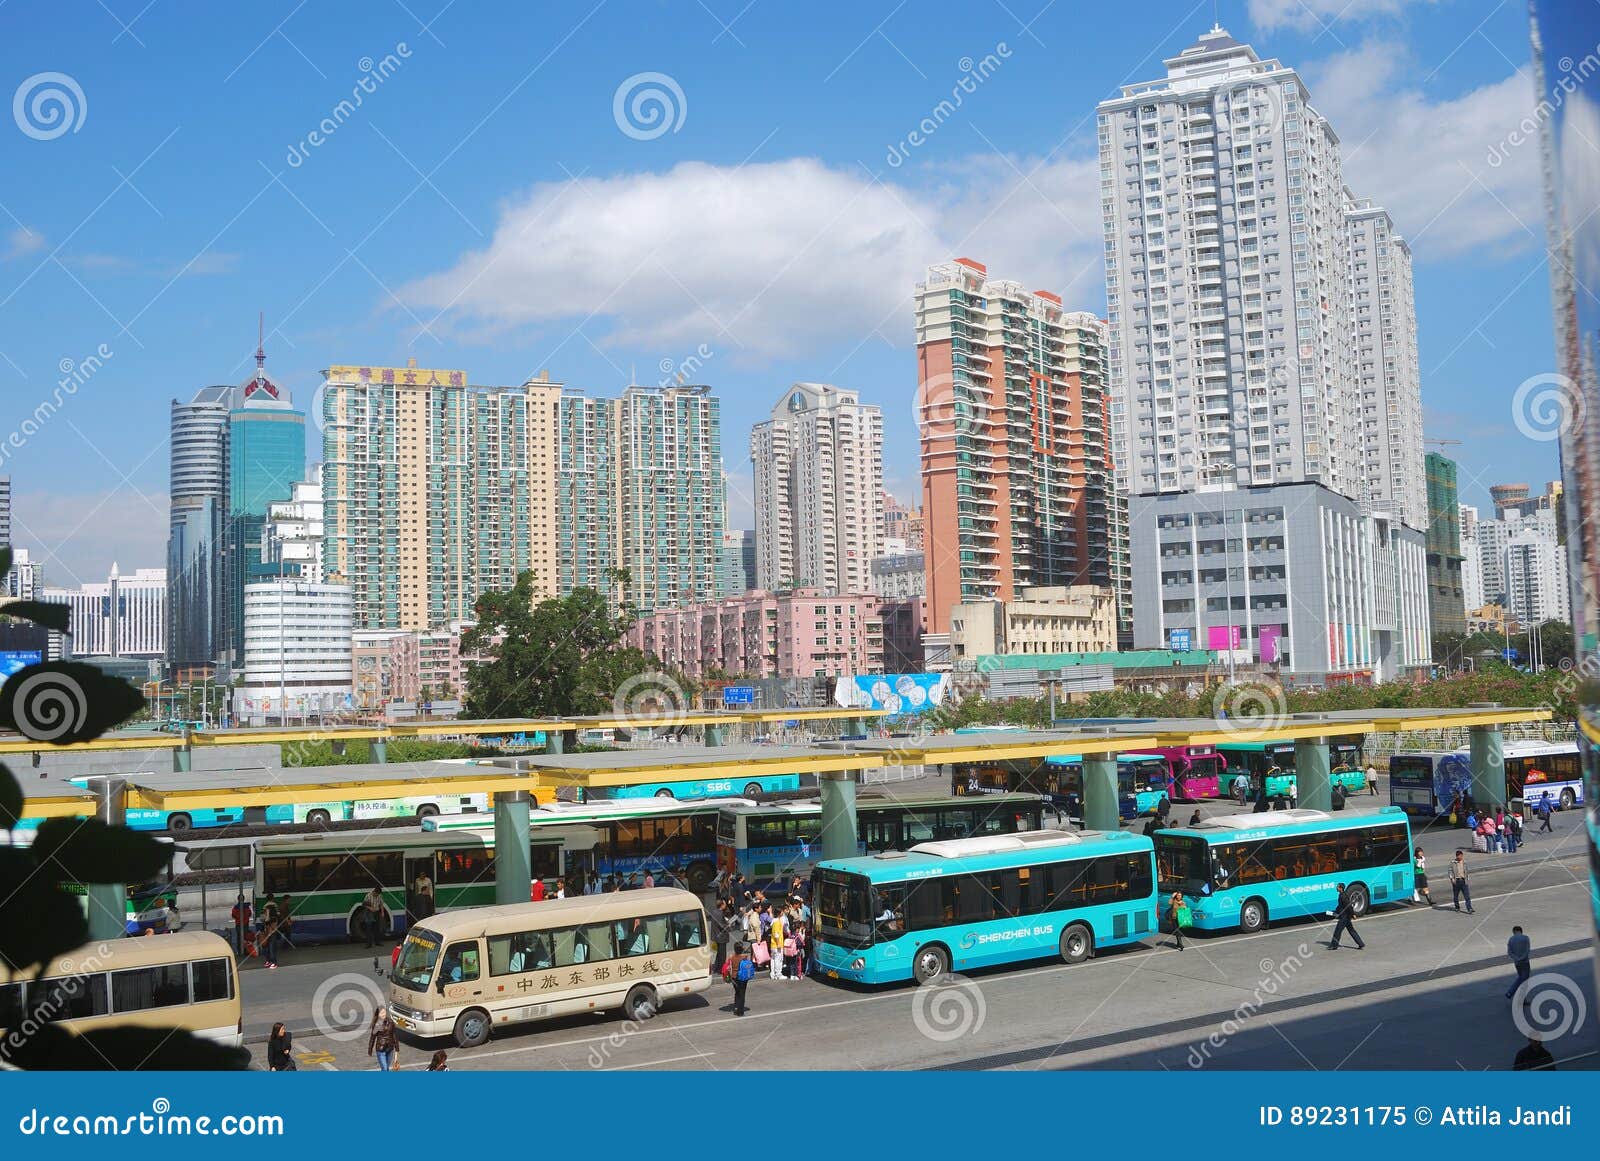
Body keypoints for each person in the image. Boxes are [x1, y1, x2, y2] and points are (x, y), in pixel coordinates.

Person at [1328, 883, 1365, 950]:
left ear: (1340, 888)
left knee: (1337, 931)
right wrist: (1335, 912)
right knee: (1351, 930)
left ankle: (1334, 945)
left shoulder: (1343, 896)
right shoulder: (1342, 895)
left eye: (1337, 887)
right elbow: (1340, 906)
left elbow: (1348, 906)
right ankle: (1361, 944)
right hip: (1346, 917)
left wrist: (1353, 914)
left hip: (1344, 917)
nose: (1336, 888)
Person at [368, 1006, 399, 1071]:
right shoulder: (377, 1025)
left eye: (384, 1012)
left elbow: (394, 1036)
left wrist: (397, 1050)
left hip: (390, 1049)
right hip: (381, 1049)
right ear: (378, 1014)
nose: (383, 1014)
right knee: (385, 1069)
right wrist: (370, 1049)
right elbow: (372, 1038)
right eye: (381, 1013)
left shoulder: (391, 1022)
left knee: (386, 1068)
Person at [1506, 925, 1532, 1001]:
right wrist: (1522, 958)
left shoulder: (1511, 939)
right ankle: (1512, 992)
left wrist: (1516, 958)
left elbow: (1509, 952)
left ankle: (1513, 993)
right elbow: (1527, 950)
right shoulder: (1525, 938)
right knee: (1524, 980)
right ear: (1521, 930)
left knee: (1521, 977)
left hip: (1517, 963)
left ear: (1514, 931)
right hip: (1525, 962)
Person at [730, 941, 753, 1016]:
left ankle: (736, 1007)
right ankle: (740, 1011)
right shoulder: (744, 957)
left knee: (737, 992)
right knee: (742, 994)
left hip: (734, 977)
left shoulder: (732, 958)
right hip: (743, 978)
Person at [767, 905, 786, 981]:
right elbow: (776, 934)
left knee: (773, 959)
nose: (783, 912)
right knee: (779, 959)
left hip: (773, 944)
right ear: (779, 913)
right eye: (782, 911)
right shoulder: (777, 922)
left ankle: (773, 974)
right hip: (777, 944)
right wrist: (778, 943)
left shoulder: (774, 921)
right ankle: (778, 974)